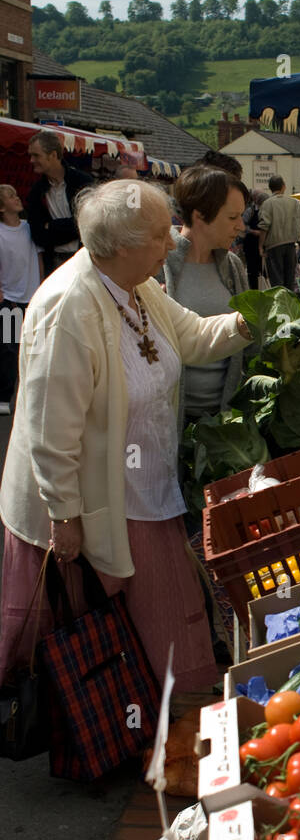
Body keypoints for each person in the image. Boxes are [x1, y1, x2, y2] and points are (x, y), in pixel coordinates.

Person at [0, 180, 252, 694]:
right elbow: (49, 427)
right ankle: (115, 736)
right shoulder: (69, 306)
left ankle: (146, 728)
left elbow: (196, 337)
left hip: (145, 489)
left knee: (152, 622)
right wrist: (64, 513)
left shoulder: (141, 288)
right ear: (119, 246)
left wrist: (259, 320)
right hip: (95, 502)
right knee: (93, 638)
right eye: (160, 236)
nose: (171, 244)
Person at [160, 165, 249, 431]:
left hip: (222, 421)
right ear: (199, 216)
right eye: (233, 217)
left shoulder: (232, 266)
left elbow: (251, 337)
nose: (241, 226)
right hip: (171, 423)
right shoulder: (156, 265)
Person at [25, 129, 94, 278]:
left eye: (36, 155)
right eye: (30, 155)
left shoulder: (83, 182)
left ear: (53, 155)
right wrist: (72, 226)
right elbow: (38, 235)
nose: (31, 160)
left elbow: (91, 223)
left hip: (86, 261)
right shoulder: (36, 191)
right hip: (54, 264)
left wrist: (53, 226)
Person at [0, 185, 42, 414]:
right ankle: (5, 396)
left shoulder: (29, 229)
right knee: (9, 349)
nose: (17, 198)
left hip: (34, 298)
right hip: (11, 300)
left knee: (38, 347)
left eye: (16, 194)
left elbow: (38, 257)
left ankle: (33, 397)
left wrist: (42, 284)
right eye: (10, 196)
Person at [258, 175, 300, 289]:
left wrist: (260, 246)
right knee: (290, 280)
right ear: (283, 186)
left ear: (270, 188)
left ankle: (280, 304)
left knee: (277, 280)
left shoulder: (267, 204)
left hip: (274, 246)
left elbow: (264, 227)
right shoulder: (293, 202)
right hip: (290, 244)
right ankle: (289, 304)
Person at [241, 188, 266, 289]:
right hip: (251, 243)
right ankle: (253, 289)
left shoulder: (265, 211)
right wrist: (252, 231)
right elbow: (243, 224)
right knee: (252, 270)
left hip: (262, 243)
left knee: (262, 269)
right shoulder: (250, 211)